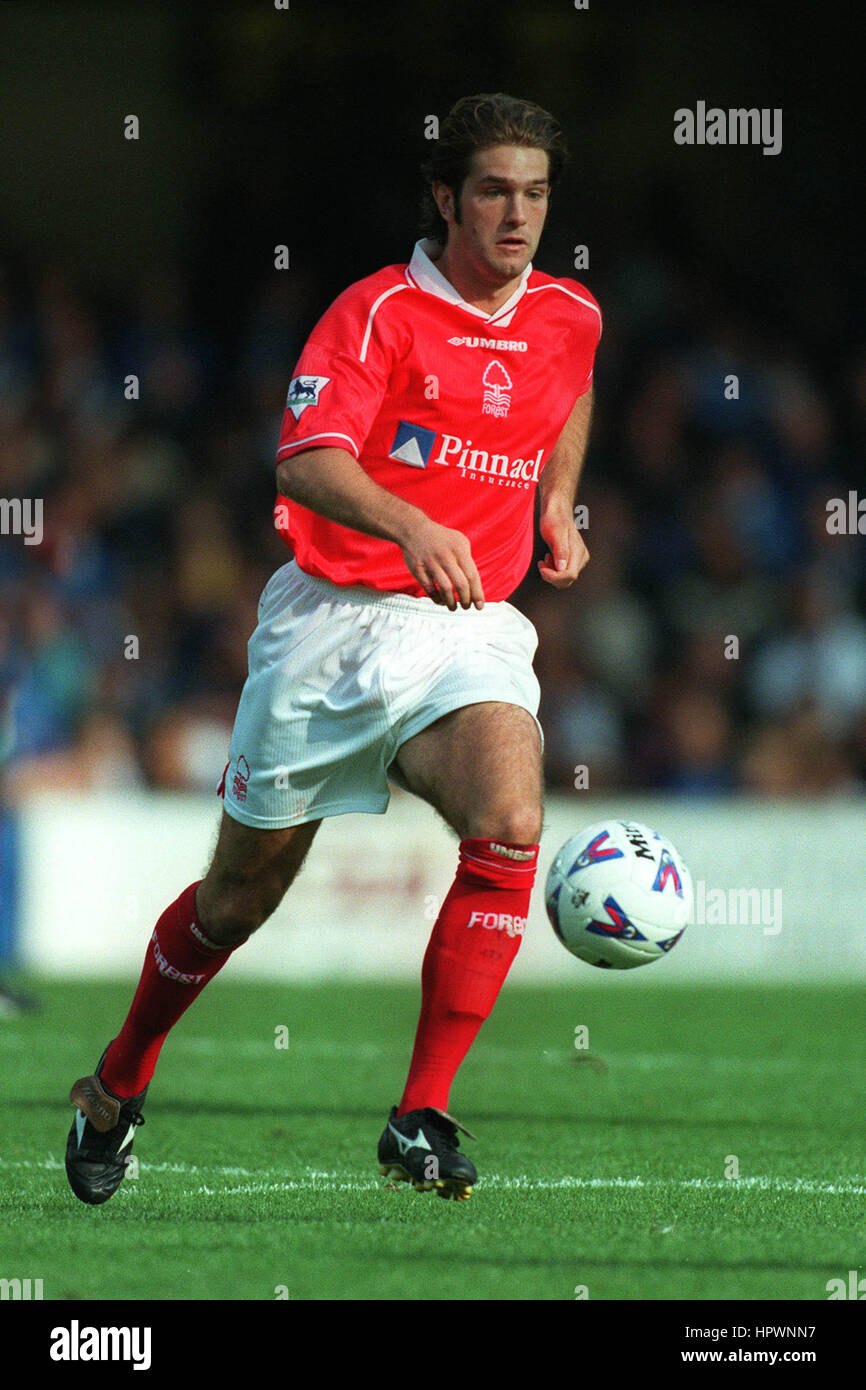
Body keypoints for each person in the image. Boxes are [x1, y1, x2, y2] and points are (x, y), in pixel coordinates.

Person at [65, 92, 601, 1204]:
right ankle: (116, 1081)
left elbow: (568, 385)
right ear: (446, 196)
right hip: (330, 627)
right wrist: (412, 522)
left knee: (508, 821)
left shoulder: (568, 314)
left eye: (536, 194)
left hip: (466, 627)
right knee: (236, 901)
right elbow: (303, 460)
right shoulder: (374, 316)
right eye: (494, 190)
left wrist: (558, 499)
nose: (517, 215)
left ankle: (420, 1112)